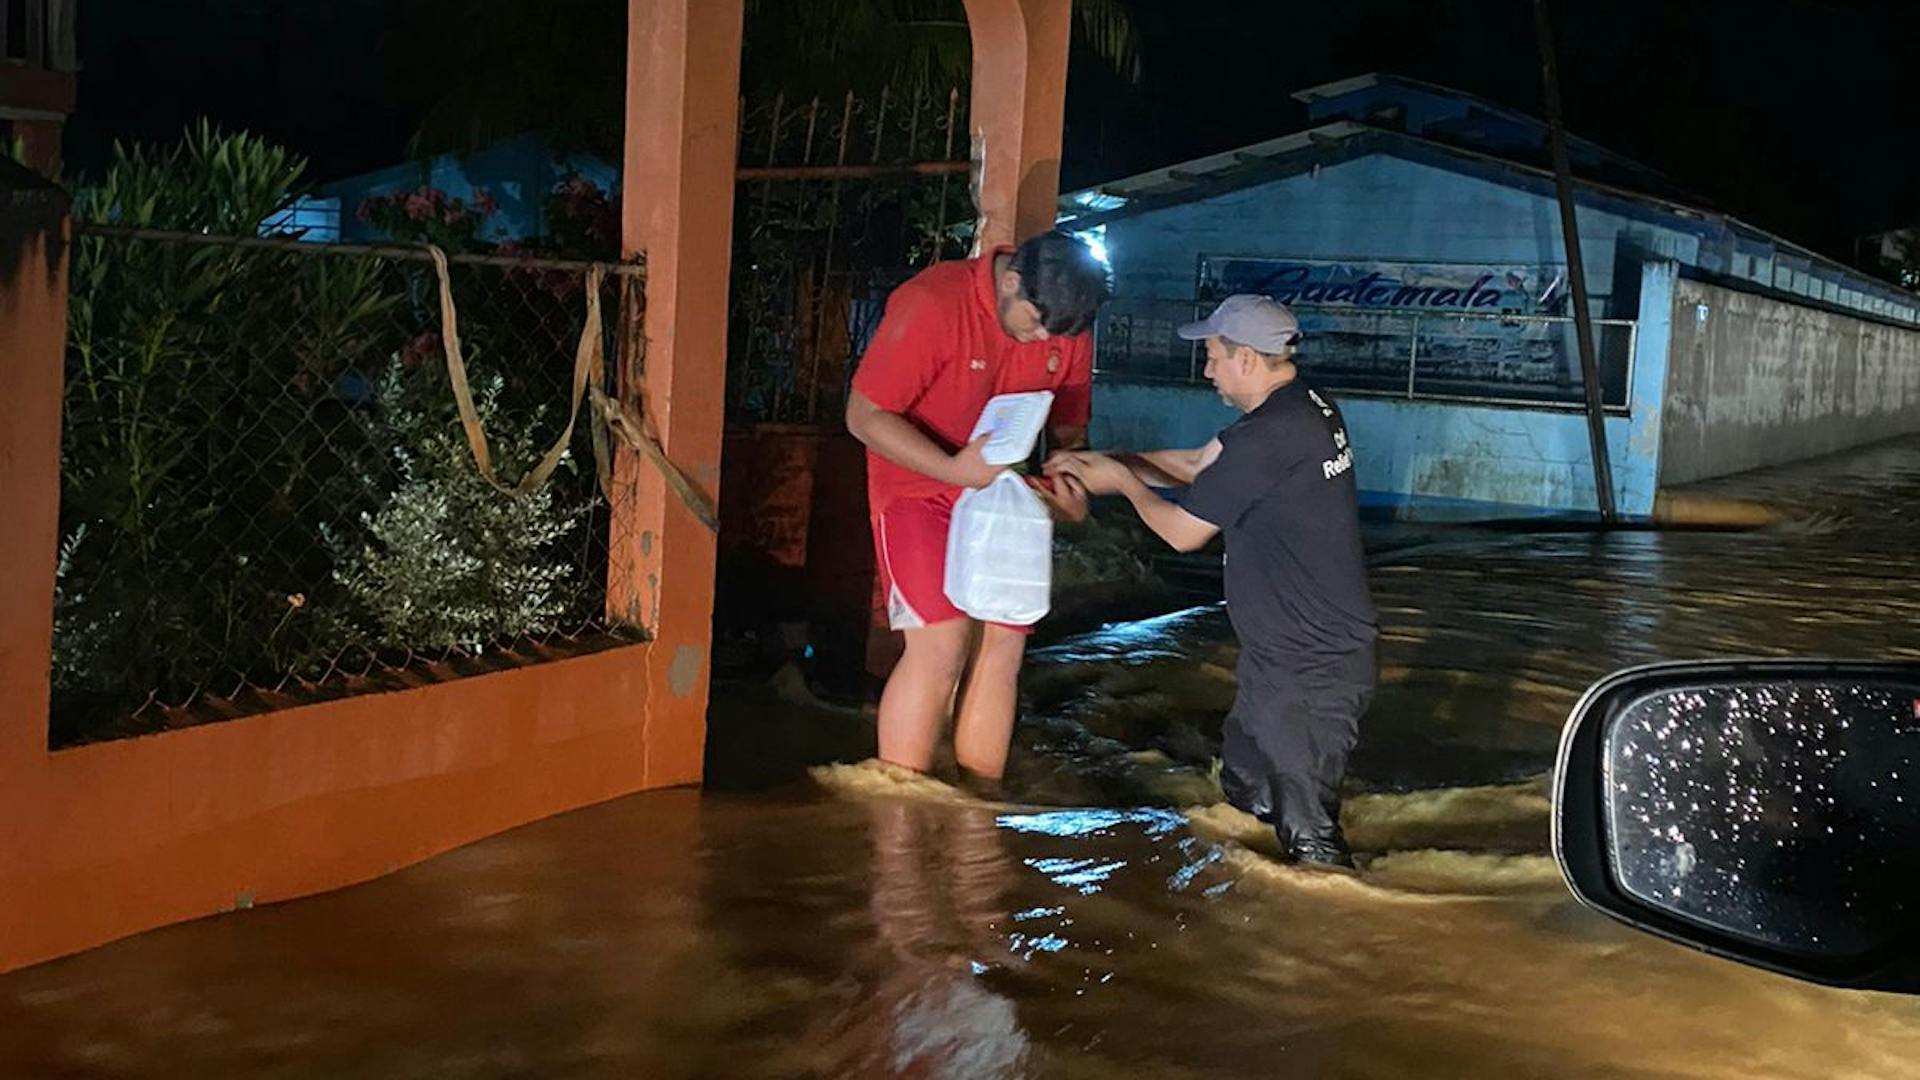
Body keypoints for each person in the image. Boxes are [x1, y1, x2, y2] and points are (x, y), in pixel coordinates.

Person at [1047, 294, 1378, 866]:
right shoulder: (1306, 407)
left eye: (1213, 356)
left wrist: (1124, 483)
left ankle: (1338, 937)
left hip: (1309, 672)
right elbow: (1201, 463)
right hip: (1283, 662)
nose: (1206, 370)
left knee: (1313, 847)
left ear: (1246, 358)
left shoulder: (1266, 437)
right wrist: (1103, 464)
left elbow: (1181, 532)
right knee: (1245, 789)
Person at [845, 231, 1109, 786]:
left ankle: (977, 801)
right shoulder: (935, 302)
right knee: (940, 643)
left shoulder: (1065, 323)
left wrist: (1070, 480)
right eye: (1035, 323)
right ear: (1010, 282)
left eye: (1057, 334)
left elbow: (1069, 428)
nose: (1043, 341)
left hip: (1000, 489)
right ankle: (899, 801)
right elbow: (865, 416)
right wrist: (952, 471)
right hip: (918, 482)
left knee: (1005, 636)